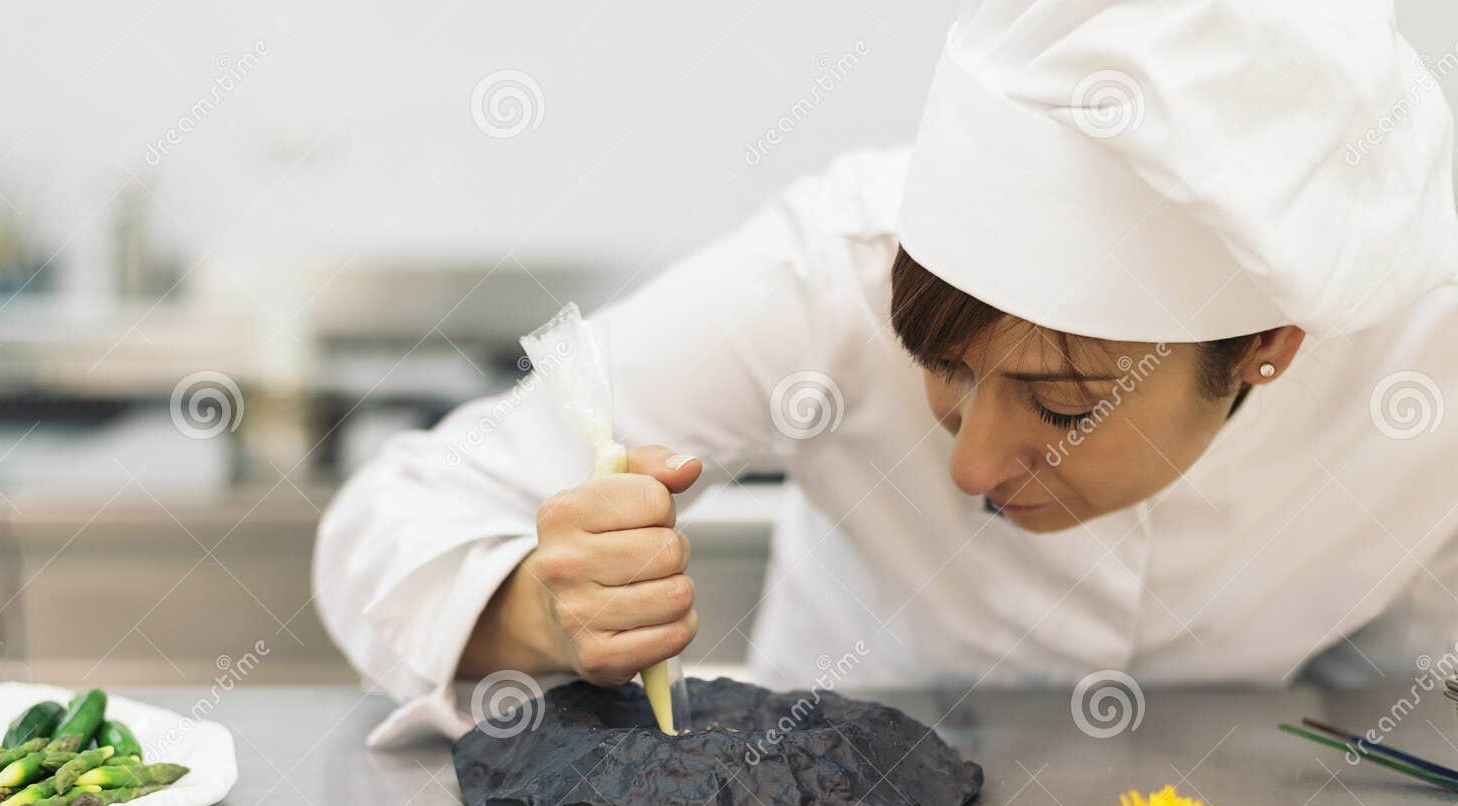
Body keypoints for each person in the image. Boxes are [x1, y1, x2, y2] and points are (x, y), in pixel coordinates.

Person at [314, 0, 1458, 744]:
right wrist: (536, 612)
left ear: (1267, 349)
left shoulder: (1423, 348)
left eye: (1062, 405)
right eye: (945, 374)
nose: (970, 463)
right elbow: (389, 518)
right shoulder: (829, 266)